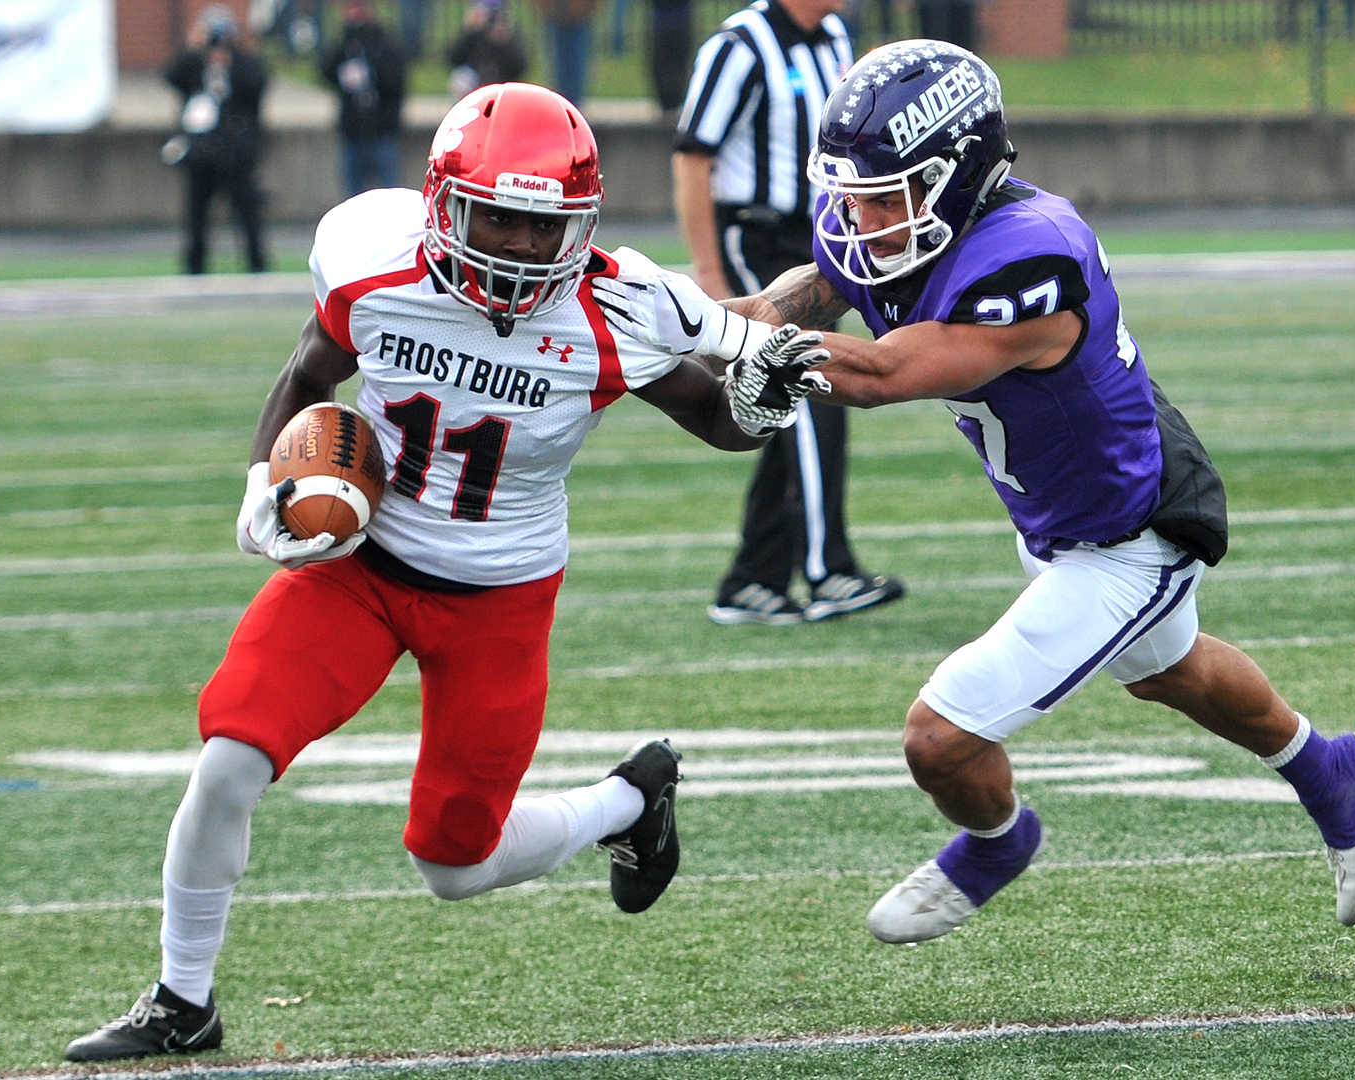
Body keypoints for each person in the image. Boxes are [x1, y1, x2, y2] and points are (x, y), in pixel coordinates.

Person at [62, 82, 829, 1062]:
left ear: (579, 228)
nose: (512, 245)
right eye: (492, 218)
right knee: (229, 759)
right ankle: (183, 999)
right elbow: (309, 373)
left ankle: (631, 802)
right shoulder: (376, 267)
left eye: (535, 225)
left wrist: (759, 410)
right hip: (361, 568)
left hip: (499, 601)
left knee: (454, 867)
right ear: (441, 204)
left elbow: (716, 413)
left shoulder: (618, 308)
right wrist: (265, 482)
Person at [599, 42, 1355, 944]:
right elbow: (799, 301)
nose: (857, 215)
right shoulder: (891, 223)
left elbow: (884, 372)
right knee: (1170, 672)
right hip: (1062, 512)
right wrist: (659, 310)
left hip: (1132, 531)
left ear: (958, 172)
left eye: (882, 193)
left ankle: (996, 841)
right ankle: (1332, 770)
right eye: (851, 191)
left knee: (940, 738)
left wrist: (710, 331)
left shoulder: (1032, 258)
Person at [673, 0, 904, 626]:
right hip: (753, 236)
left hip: (816, 240)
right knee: (807, 381)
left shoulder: (833, 36)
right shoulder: (740, 44)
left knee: (796, 398)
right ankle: (828, 571)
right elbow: (693, 156)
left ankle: (753, 576)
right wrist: (709, 271)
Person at [165, 5, 269, 275]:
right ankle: (195, 265)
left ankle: (256, 263)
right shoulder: (195, 63)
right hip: (201, 149)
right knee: (197, 211)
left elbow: (257, 85)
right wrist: (192, 49)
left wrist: (232, 61)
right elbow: (171, 78)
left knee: (246, 209)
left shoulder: (244, 63)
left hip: (236, 149)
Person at [320, 1, 407, 198]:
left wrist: (372, 72)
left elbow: (396, 79)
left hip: (381, 128)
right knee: (352, 194)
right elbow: (326, 70)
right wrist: (347, 38)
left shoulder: (384, 41)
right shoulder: (345, 42)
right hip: (353, 129)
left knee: (389, 193)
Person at [445, 0, 530, 95]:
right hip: (474, 77)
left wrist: (503, 42)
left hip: (503, 79)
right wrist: (470, 31)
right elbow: (453, 59)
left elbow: (520, 66)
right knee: (461, 81)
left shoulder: (508, 32)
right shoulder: (474, 34)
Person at [540, 0, 597, 105]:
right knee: (558, 66)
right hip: (556, 13)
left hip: (577, 16)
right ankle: (561, 102)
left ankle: (573, 104)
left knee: (576, 65)